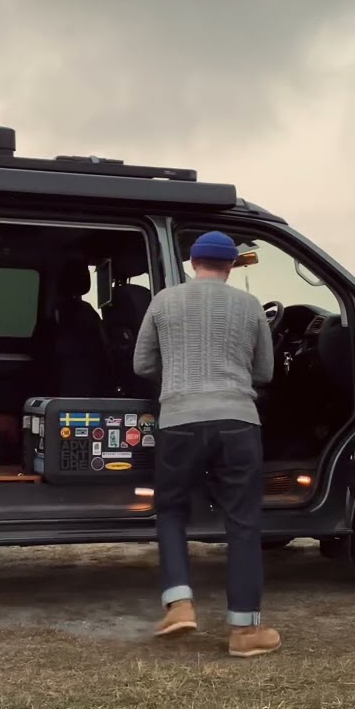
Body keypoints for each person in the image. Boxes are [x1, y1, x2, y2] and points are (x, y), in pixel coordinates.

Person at [131, 230, 280, 658]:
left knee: (172, 510)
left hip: (179, 420)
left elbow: (141, 363)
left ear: (192, 263)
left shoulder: (162, 301)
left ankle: (179, 604)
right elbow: (265, 371)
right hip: (237, 422)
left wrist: (177, 374)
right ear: (231, 265)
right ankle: (244, 631)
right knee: (243, 523)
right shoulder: (250, 306)